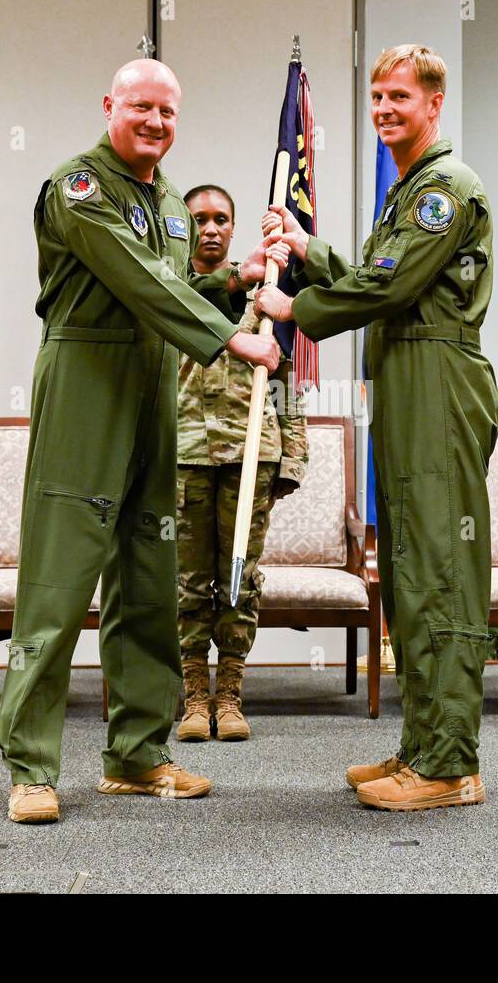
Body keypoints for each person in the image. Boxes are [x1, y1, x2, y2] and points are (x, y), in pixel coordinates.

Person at [0, 59, 281, 823]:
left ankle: (138, 753)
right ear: (110, 107)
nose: (156, 122)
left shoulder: (174, 204)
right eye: (142, 107)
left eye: (168, 111)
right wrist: (231, 336)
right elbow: (133, 277)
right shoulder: (78, 188)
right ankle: (31, 767)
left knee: (148, 577)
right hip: (87, 377)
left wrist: (232, 282)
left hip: (157, 384)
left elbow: (173, 281)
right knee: (58, 585)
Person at [255, 44, 498, 811]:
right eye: (377, 97)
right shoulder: (409, 189)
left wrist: (299, 308)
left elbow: (390, 283)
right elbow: (376, 269)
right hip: (405, 383)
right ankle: (422, 747)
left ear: (434, 104)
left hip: (438, 384)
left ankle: (452, 766)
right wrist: (305, 249)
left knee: (441, 575)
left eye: (401, 96)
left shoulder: (444, 189)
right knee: (407, 573)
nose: (386, 108)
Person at [175, 184, 308, 742]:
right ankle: (194, 698)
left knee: (240, 577)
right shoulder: (170, 292)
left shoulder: (265, 292)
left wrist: (292, 458)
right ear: (185, 227)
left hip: (249, 454)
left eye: (221, 219)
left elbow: (285, 382)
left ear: (234, 228)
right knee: (188, 582)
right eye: (199, 219)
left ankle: (229, 693)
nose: (210, 228)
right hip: (184, 455)